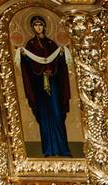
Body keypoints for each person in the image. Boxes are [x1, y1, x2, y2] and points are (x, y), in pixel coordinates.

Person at [18, 14, 72, 158]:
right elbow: (29, 66)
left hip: (53, 84)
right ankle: (48, 150)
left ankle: (63, 149)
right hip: (39, 86)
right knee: (44, 116)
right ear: (32, 27)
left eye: (40, 24)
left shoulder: (51, 44)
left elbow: (58, 63)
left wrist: (59, 56)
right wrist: (25, 56)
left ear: (44, 26)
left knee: (57, 113)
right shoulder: (30, 45)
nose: (38, 27)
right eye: (35, 25)